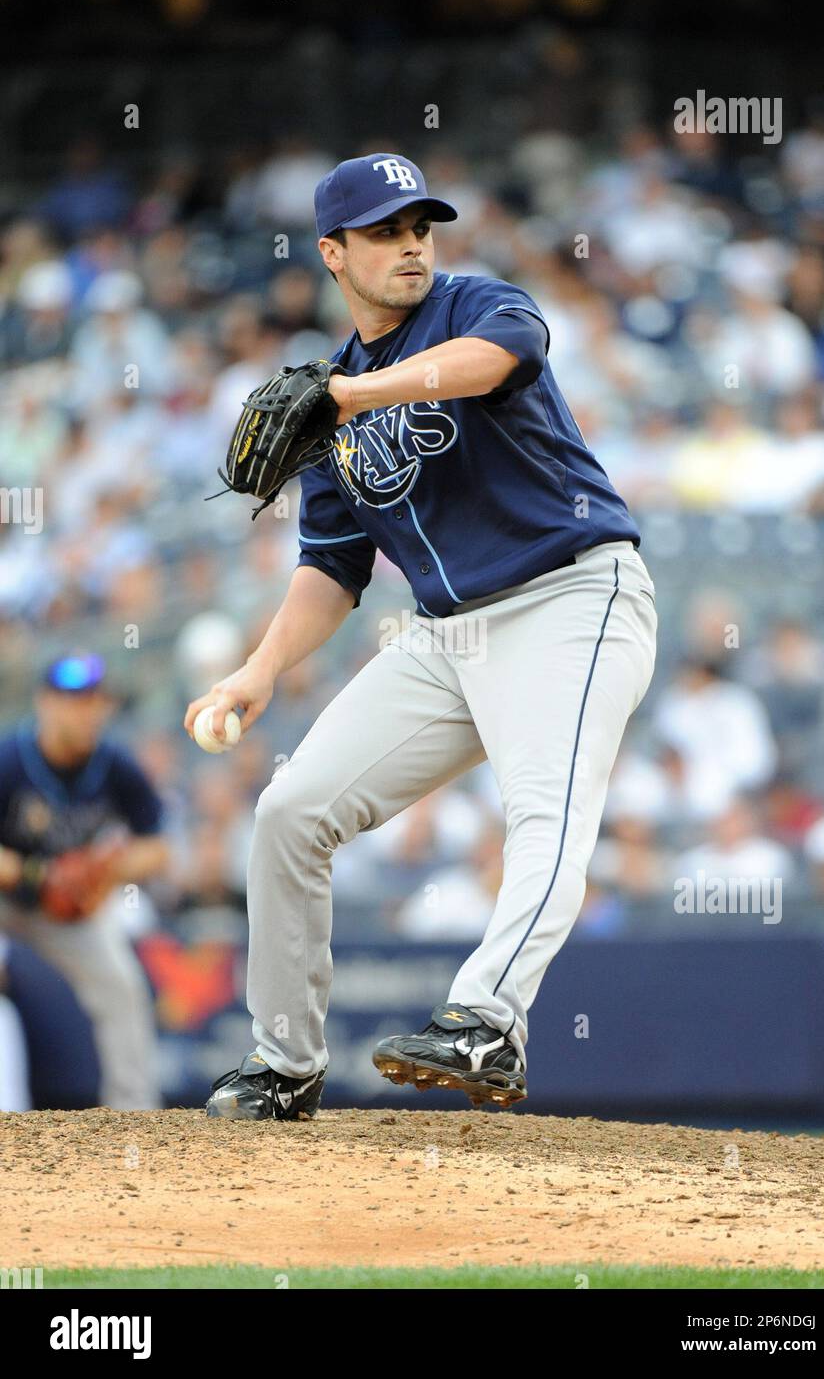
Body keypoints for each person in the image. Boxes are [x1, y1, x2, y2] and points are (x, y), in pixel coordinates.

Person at [187, 153, 657, 1119]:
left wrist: (348, 400)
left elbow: (499, 363)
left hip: (572, 597)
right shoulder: (331, 398)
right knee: (289, 813)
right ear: (333, 253)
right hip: (451, 638)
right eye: (383, 233)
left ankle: (488, 1022)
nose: (409, 247)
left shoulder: (477, 306)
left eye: (419, 228)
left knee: (546, 809)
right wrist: (258, 670)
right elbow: (331, 569)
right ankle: (283, 1067)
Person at [0, 654, 171, 1108]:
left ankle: (136, 1117)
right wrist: (39, 873)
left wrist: (104, 871)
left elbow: (158, 849)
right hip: (8, 900)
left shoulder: (113, 764)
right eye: (73, 699)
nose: (86, 710)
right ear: (44, 703)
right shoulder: (9, 760)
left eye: (94, 699)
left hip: (68, 911)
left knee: (121, 986)